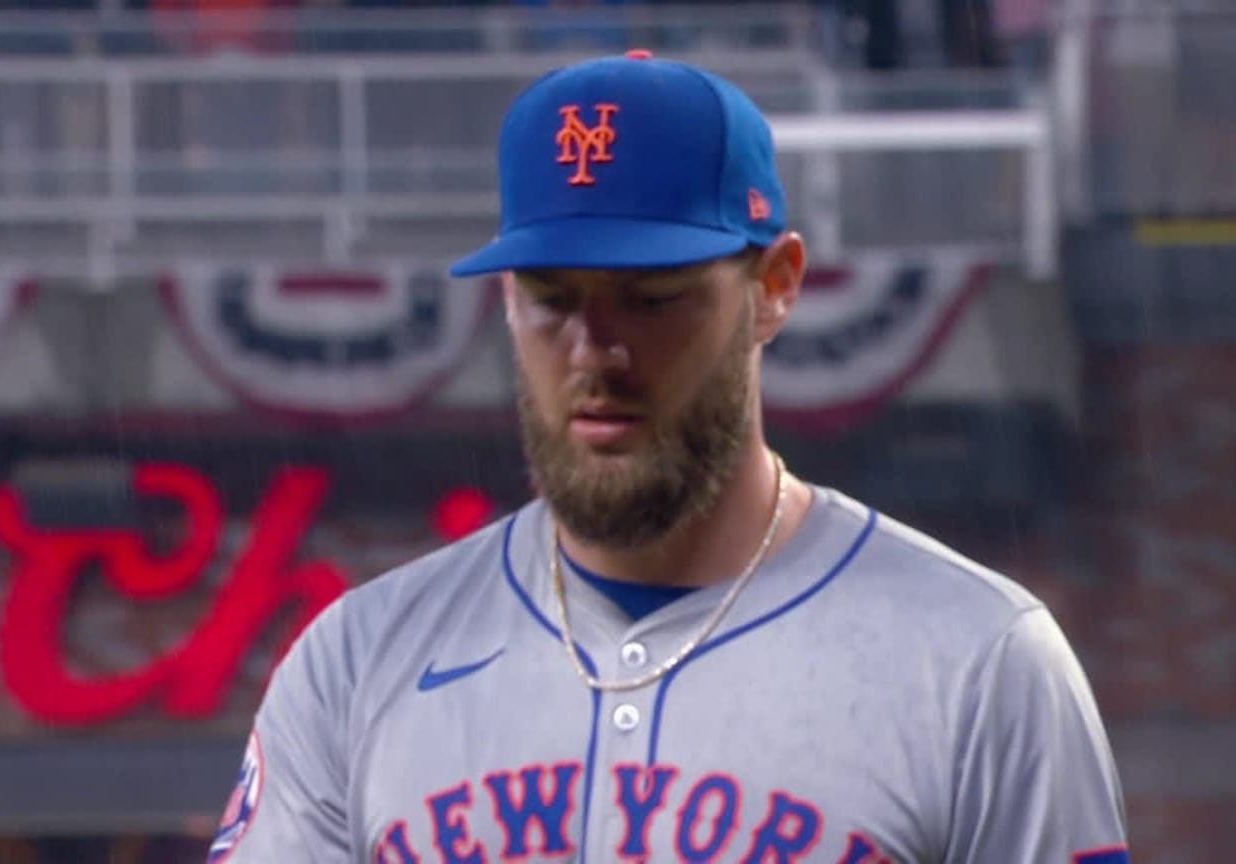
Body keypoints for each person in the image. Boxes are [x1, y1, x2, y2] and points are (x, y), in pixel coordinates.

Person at [207, 51, 1130, 863]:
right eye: (551, 298)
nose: (593, 350)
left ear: (774, 288)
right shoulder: (355, 665)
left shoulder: (977, 662)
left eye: (651, 299)